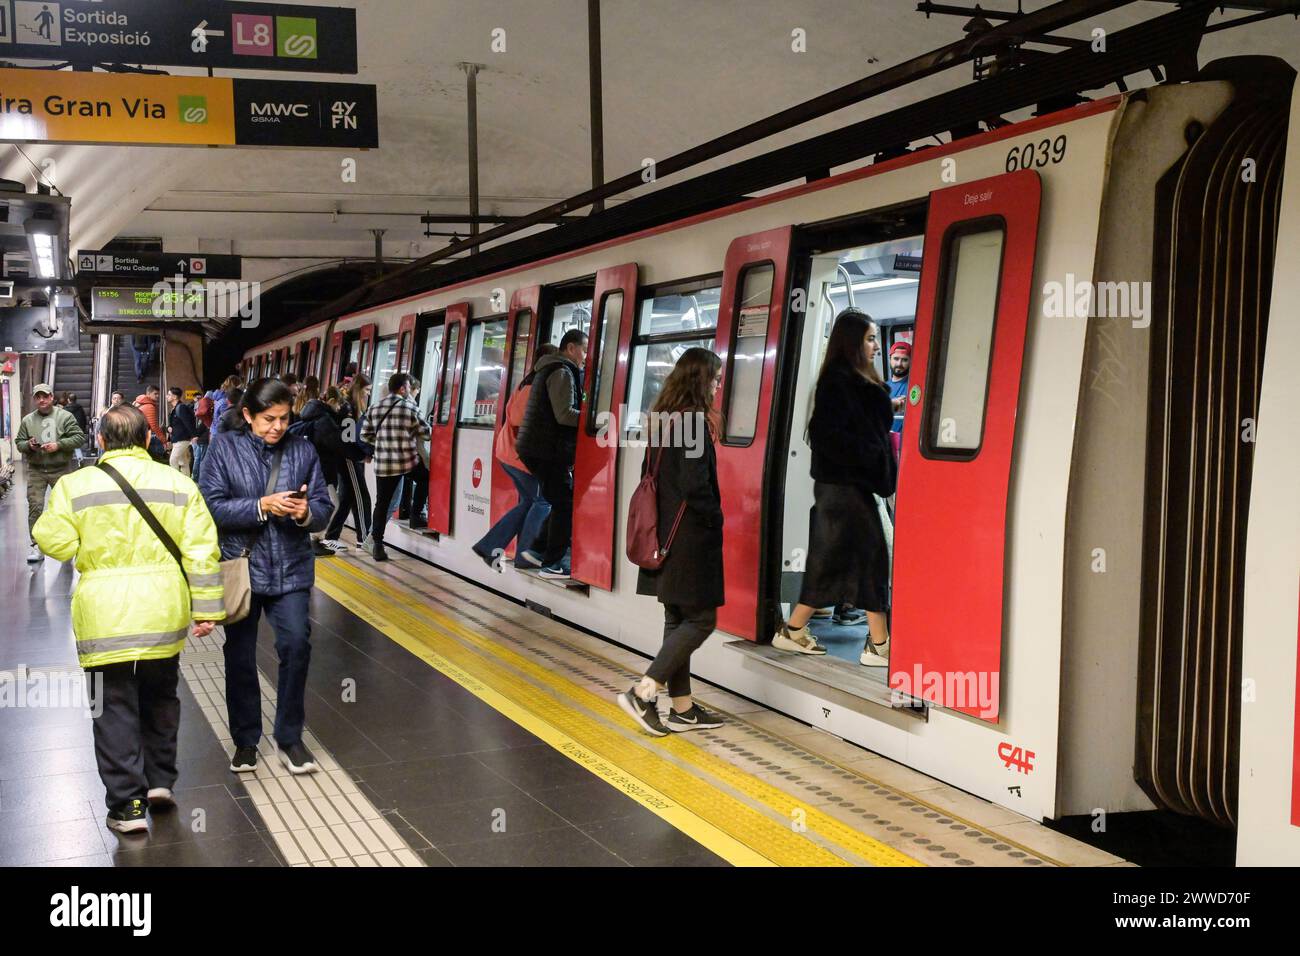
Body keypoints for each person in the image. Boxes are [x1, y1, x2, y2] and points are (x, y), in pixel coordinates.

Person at [32, 405, 224, 833]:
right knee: (162, 696)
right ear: (146, 439)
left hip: (103, 618)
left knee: (113, 708)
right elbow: (201, 550)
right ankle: (160, 782)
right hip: (163, 611)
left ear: (100, 440)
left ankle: (127, 807)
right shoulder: (178, 484)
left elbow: (57, 544)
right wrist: (207, 609)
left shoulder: (74, 485)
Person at [198, 378, 333, 775]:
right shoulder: (224, 448)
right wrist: (261, 506)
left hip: (291, 566)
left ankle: (290, 738)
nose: (277, 427)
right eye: (268, 419)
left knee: (296, 645)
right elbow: (211, 506)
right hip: (243, 564)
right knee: (239, 654)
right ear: (247, 415)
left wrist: (305, 513)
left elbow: (323, 506)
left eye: (284, 418)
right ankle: (245, 739)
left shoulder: (303, 450)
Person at [773, 309, 896, 665]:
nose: (876, 346)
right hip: (846, 489)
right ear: (852, 342)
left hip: (842, 490)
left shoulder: (842, 382)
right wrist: (870, 455)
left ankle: (796, 630)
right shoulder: (842, 384)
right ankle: (878, 645)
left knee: (836, 563)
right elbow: (834, 437)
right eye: (870, 338)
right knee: (868, 561)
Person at [618, 348, 726, 735]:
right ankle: (643, 692)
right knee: (701, 619)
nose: (718, 386)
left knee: (677, 618)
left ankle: (683, 709)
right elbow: (696, 484)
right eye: (715, 379)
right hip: (689, 540)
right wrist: (716, 517)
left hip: (665, 536)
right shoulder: (693, 423)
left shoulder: (665, 420)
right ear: (699, 380)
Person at [472, 344, 556, 569]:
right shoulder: (533, 385)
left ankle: (491, 548)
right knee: (543, 500)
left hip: (511, 453)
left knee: (529, 501)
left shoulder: (527, 382)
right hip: (518, 455)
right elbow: (520, 421)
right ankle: (524, 554)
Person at [515, 329, 589, 578]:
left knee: (560, 501)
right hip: (547, 450)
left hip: (539, 448)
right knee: (565, 504)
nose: (586, 356)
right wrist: (594, 418)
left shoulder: (549, 368)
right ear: (571, 348)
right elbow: (564, 414)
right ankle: (552, 563)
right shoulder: (562, 371)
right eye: (584, 350)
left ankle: (538, 550)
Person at [360, 372, 430, 562]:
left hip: (384, 464)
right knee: (426, 478)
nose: (409, 389)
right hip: (407, 461)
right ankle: (417, 513)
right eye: (407, 386)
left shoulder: (375, 407)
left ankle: (377, 544)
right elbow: (426, 433)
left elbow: (365, 435)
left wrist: (383, 444)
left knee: (381, 503)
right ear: (402, 388)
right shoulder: (410, 407)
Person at [15, 383, 85, 563]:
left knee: (67, 507)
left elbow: (79, 438)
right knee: (35, 506)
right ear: (34, 399)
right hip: (36, 469)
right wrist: (28, 445)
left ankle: (71, 542)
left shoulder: (65, 416)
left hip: (61, 468)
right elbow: (19, 443)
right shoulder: (27, 420)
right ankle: (36, 545)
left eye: (45, 396)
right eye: (38, 397)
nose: (42, 400)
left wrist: (59, 445)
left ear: (52, 397)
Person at [321, 374, 373, 553]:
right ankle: (364, 539)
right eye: (367, 390)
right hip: (349, 459)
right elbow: (347, 441)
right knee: (362, 496)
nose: (368, 394)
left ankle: (331, 536)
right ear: (358, 389)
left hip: (347, 458)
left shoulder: (348, 407)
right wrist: (360, 456)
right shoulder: (349, 410)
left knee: (347, 498)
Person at [297, 384, 347, 556]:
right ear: (332, 401)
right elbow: (337, 444)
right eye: (338, 404)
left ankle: (312, 539)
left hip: (312, 469)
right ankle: (314, 539)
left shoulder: (312, 414)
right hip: (320, 471)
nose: (339, 408)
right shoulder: (324, 420)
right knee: (332, 504)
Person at [165, 387, 198, 474]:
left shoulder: (181, 407)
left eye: (169, 394)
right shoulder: (174, 408)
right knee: (183, 462)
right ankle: (186, 479)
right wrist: (168, 428)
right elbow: (175, 424)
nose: (166, 396)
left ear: (175, 397)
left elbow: (188, 422)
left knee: (173, 460)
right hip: (177, 438)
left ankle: (176, 479)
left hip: (182, 439)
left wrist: (194, 435)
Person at [133, 385, 168, 462]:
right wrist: (164, 440)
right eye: (155, 394)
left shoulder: (137, 403)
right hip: (149, 437)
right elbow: (153, 426)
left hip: (138, 436)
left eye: (158, 394)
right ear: (148, 394)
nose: (158, 396)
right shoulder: (149, 406)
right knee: (157, 461)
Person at [888, 340, 911, 435]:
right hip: (885, 440)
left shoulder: (914, 387)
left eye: (904, 360)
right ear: (890, 359)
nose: (899, 364)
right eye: (896, 359)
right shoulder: (881, 387)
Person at [63, 392, 89, 464]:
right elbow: (83, 420)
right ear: (75, 400)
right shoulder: (80, 409)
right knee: (76, 445)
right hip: (78, 429)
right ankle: (80, 459)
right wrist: (83, 430)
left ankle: (67, 460)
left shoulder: (65, 409)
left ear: (68, 400)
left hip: (68, 429)